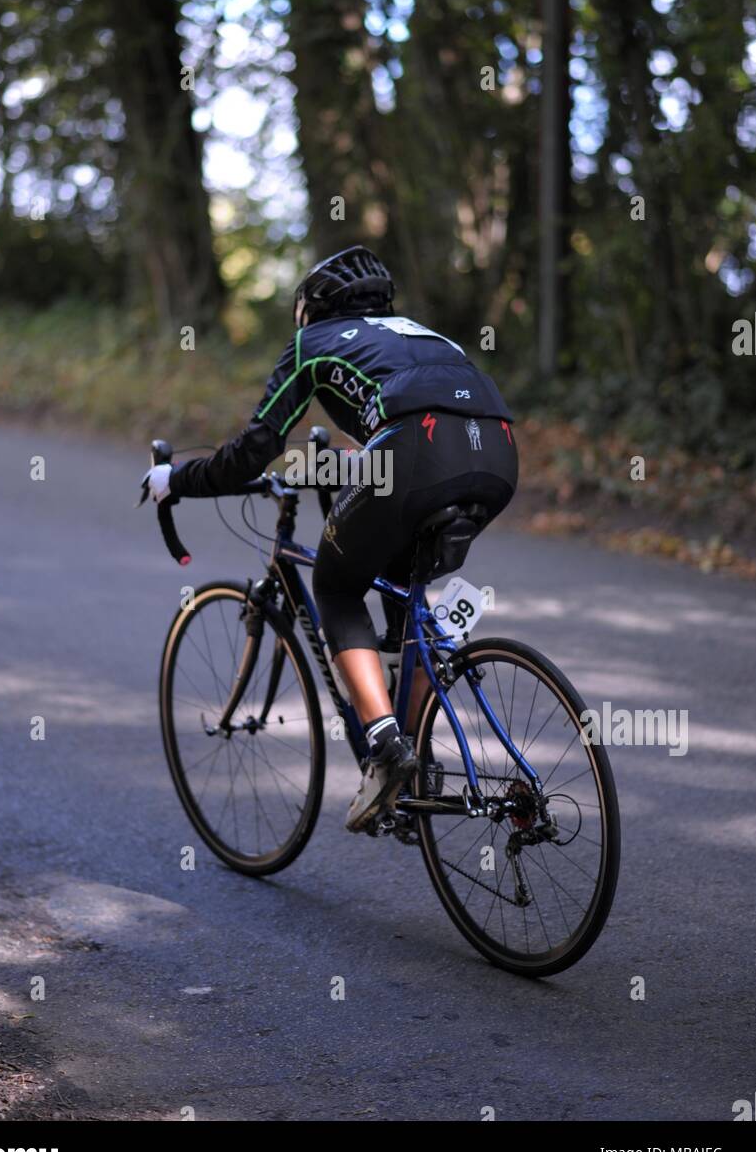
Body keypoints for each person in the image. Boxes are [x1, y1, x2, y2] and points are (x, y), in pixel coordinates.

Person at [146, 245, 518, 833]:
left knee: (337, 587)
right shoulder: (425, 336)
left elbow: (254, 451)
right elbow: (409, 436)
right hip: (496, 455)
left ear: (311, 310)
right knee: (408, 599)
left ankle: (387, 749)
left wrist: (178, 480)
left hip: (411, 452)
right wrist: (331, 469)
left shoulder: (311, 344)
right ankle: (413, 766)